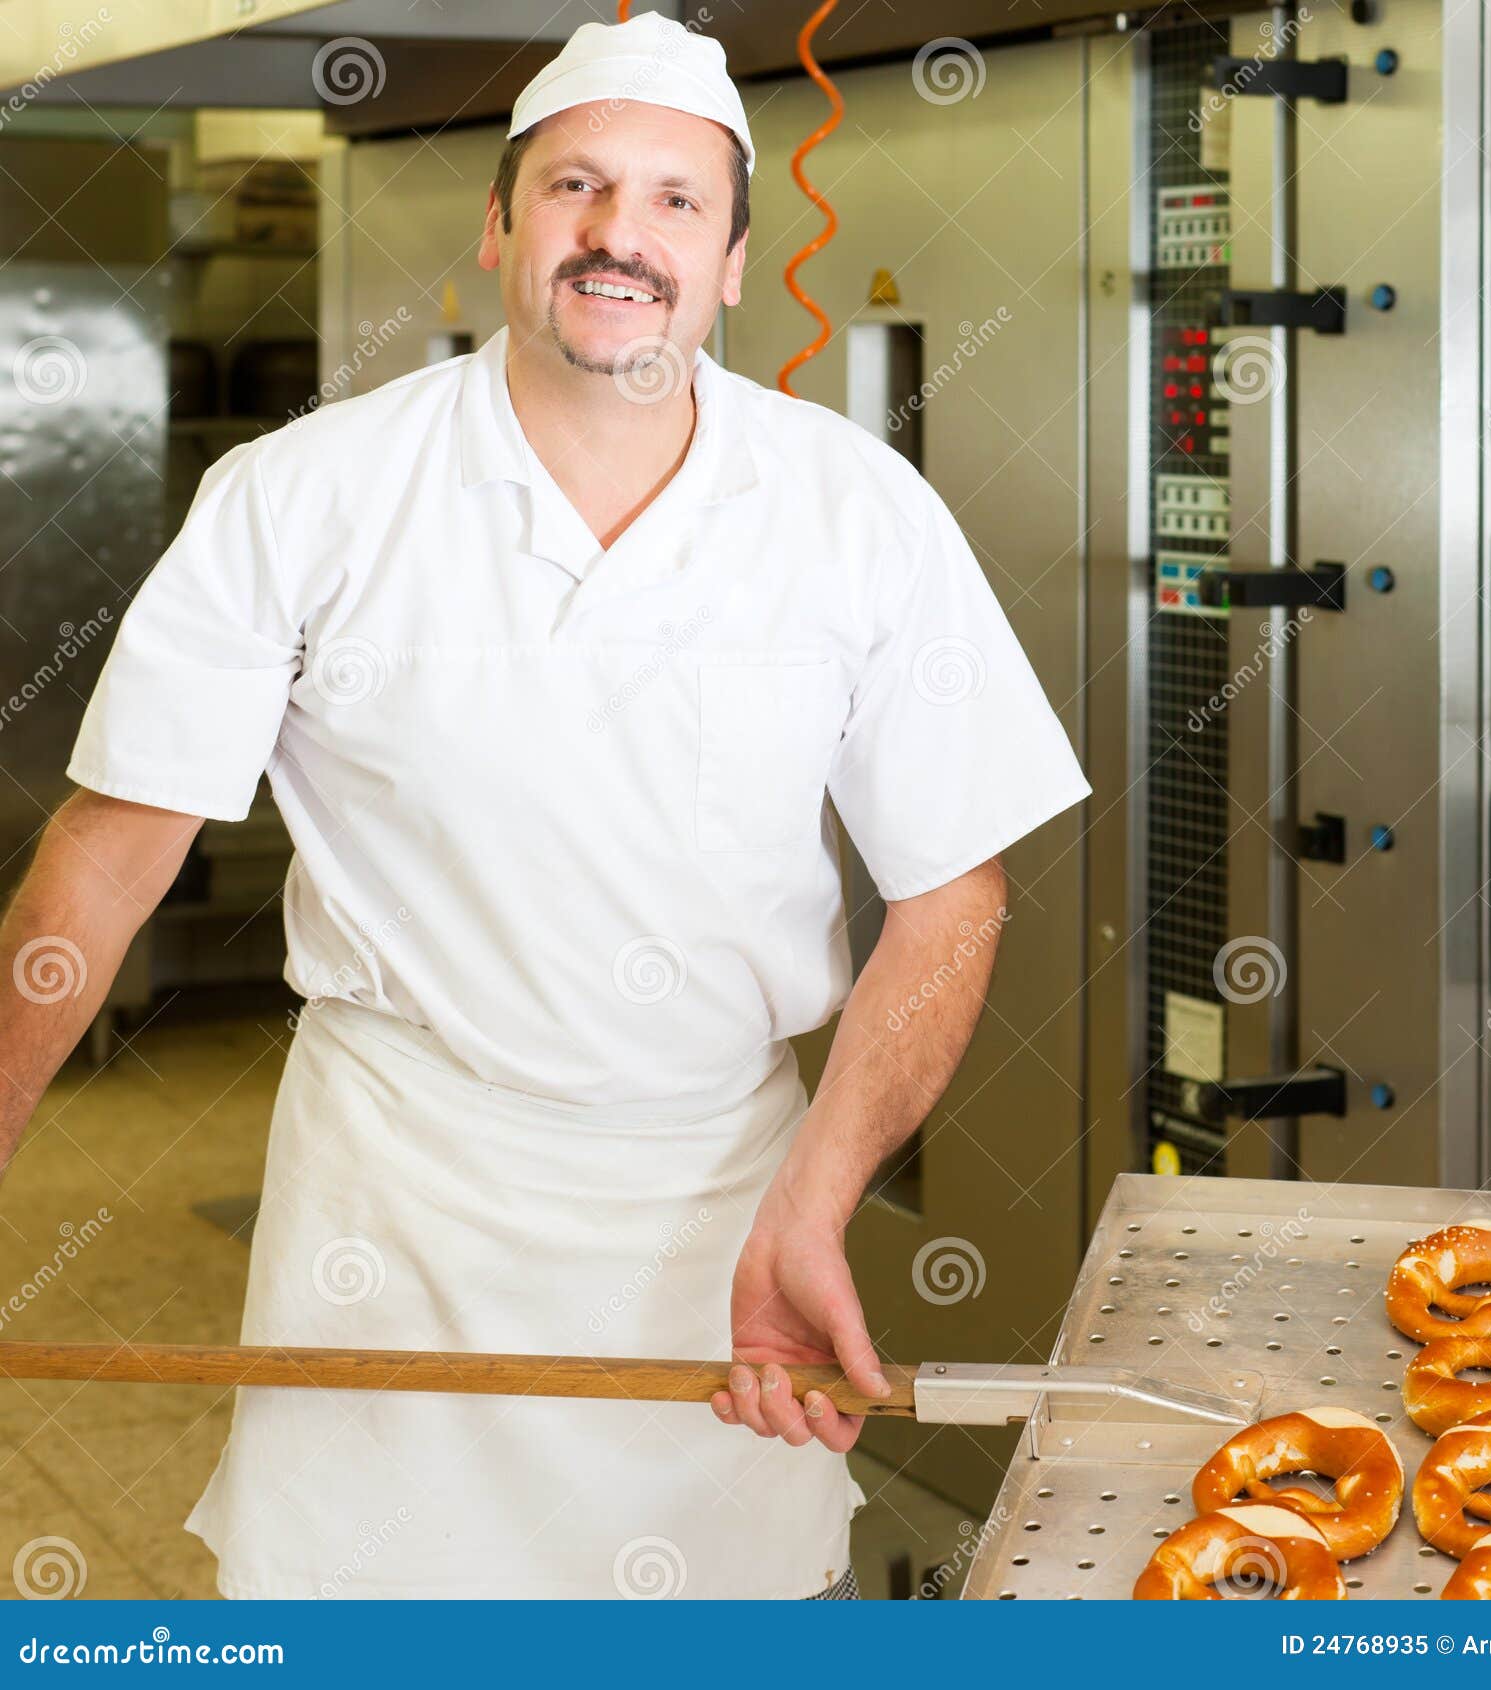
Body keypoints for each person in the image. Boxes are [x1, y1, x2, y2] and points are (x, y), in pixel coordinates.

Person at [0, 10, 1090, 1597]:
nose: (618, 233)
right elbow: (111, 851)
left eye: (674, 200)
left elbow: (952, 895)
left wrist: (820, 1194)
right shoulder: (302, 496)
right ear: (501, 224)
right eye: (576, 186)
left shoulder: (859, 512)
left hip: (721, 1209)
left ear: (731, 261)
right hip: (392, 1201)